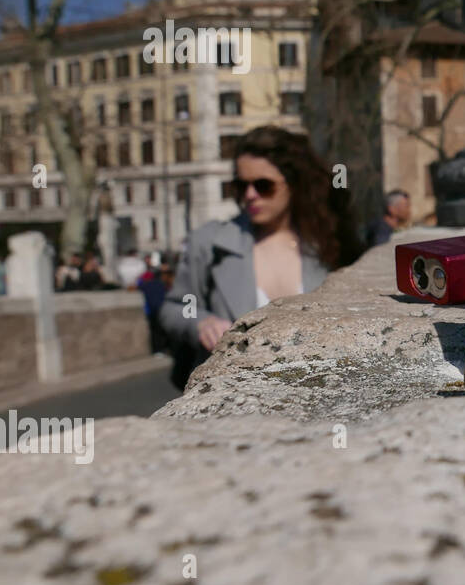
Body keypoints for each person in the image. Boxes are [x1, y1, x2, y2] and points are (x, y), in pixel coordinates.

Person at [160, 125, 360, 389]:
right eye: (241, 186)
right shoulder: (209, 242)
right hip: (234, 400)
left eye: (263, 185)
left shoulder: (327, 243)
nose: (250, 195)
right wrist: (200, 322)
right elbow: (174, 308)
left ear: (293, 184)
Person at [138, 264, 169, 353]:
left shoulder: (145, 285)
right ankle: (164, 348)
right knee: (161, 331)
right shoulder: (161, 284)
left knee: (154, 332)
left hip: (151, 311)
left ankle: (157, 350)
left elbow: (137, 286)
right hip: (161, 309)